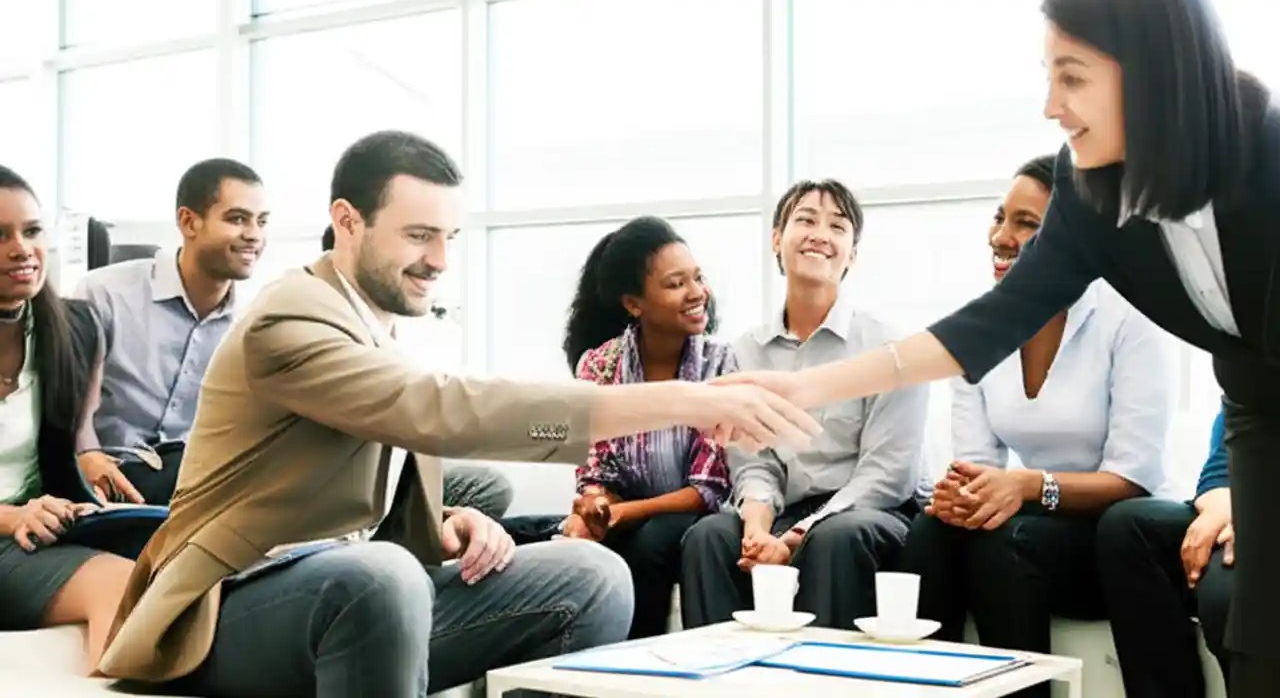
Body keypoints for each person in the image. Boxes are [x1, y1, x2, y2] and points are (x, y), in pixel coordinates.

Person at [95, 131, 820, 697]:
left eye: (450, 238)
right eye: (418, 236)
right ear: (347, 222)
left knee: (592, 574)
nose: (440, 259)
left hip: (348, 587)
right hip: (228, 607)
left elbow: (373, 461)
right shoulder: (288, 320)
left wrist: (444, 528)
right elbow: (438, 412)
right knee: (380, 576)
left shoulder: (377, 323)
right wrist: (687, 401)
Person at [716, 0, 1280, 693]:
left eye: (1071, 77)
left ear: (1156, 68)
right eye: (1048, 77)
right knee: (1258, 630)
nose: (1051, 106)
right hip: (1259, 414)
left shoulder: (1267, 150)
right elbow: (981, 329)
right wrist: (806, 384)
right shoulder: (1089, 191)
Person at [898, 156, 1174, 688]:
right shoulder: (981, 328)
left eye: (1026, 223)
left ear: (1070, 236)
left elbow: (1134, 477)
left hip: (1118, 534)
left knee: (1008, 544)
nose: (1002, 236)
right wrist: (960, 495)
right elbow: (976, 466)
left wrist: (1028, 484)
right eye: (1000, 218)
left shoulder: (1127, 317)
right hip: (1032, 519)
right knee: (930, 533)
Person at [682, 179, 929, 630]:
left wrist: (799, 535)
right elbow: (754, 465)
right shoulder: (747, 352)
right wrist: (758, 528)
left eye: (837, 226)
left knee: (833, 539)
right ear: (777, 239)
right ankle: (717, 691)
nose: (820, 233)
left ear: (852, 253)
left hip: (871, 513)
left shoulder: (890, 347)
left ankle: (819, 696)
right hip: (787, 510)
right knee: (709, 537)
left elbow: (887, 476)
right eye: (806, 220)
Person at [503, 216, 735, 639]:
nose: (697, 293)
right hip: (625, 514)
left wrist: (621, 513)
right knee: (513, 534)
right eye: (676, 283)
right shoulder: (598, 365)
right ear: (634, 304)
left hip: (690, 519)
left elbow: (709, 490)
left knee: (649, 541)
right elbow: (595, 474)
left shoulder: (721, 365)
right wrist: (594, 507)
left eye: (698, 278)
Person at [72, 159, 269, 505]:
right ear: (189, 222)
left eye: (261, 221)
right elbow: (65, 404)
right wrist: (85, 454)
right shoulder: (103, 294)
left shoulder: (256, 320)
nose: (254, 234)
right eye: (237, 219)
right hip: (108, 474)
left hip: (196, 482)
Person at [0, 165, 134, 671]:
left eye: (32, 231)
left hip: (39, 527)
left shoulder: (76, 327)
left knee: (173, 569)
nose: (21, 249)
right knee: (119, 585)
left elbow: (76, 438)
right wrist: (13, 517)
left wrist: (89, 466)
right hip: (10, 528)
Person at [321, 223, 513, 520]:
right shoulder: (323, 328)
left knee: (489, 486)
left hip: (391, 465)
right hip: (346, 484)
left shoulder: (387, 320)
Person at [1097, 403, 1233, 698]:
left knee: (1228, 596)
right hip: (1245, 506)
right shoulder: (1260, 367)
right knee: (1130, 529)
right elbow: (1225, 454)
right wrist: (1224, 501)